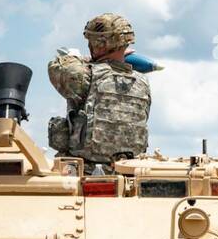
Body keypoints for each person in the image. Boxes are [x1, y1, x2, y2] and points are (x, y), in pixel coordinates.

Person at [47, 13, 151, 169]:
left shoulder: (86, 75)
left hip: (85, 170)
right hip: (128, 171)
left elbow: (56, 66)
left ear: (100, 44)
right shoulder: (142, 83)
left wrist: (85, 59)